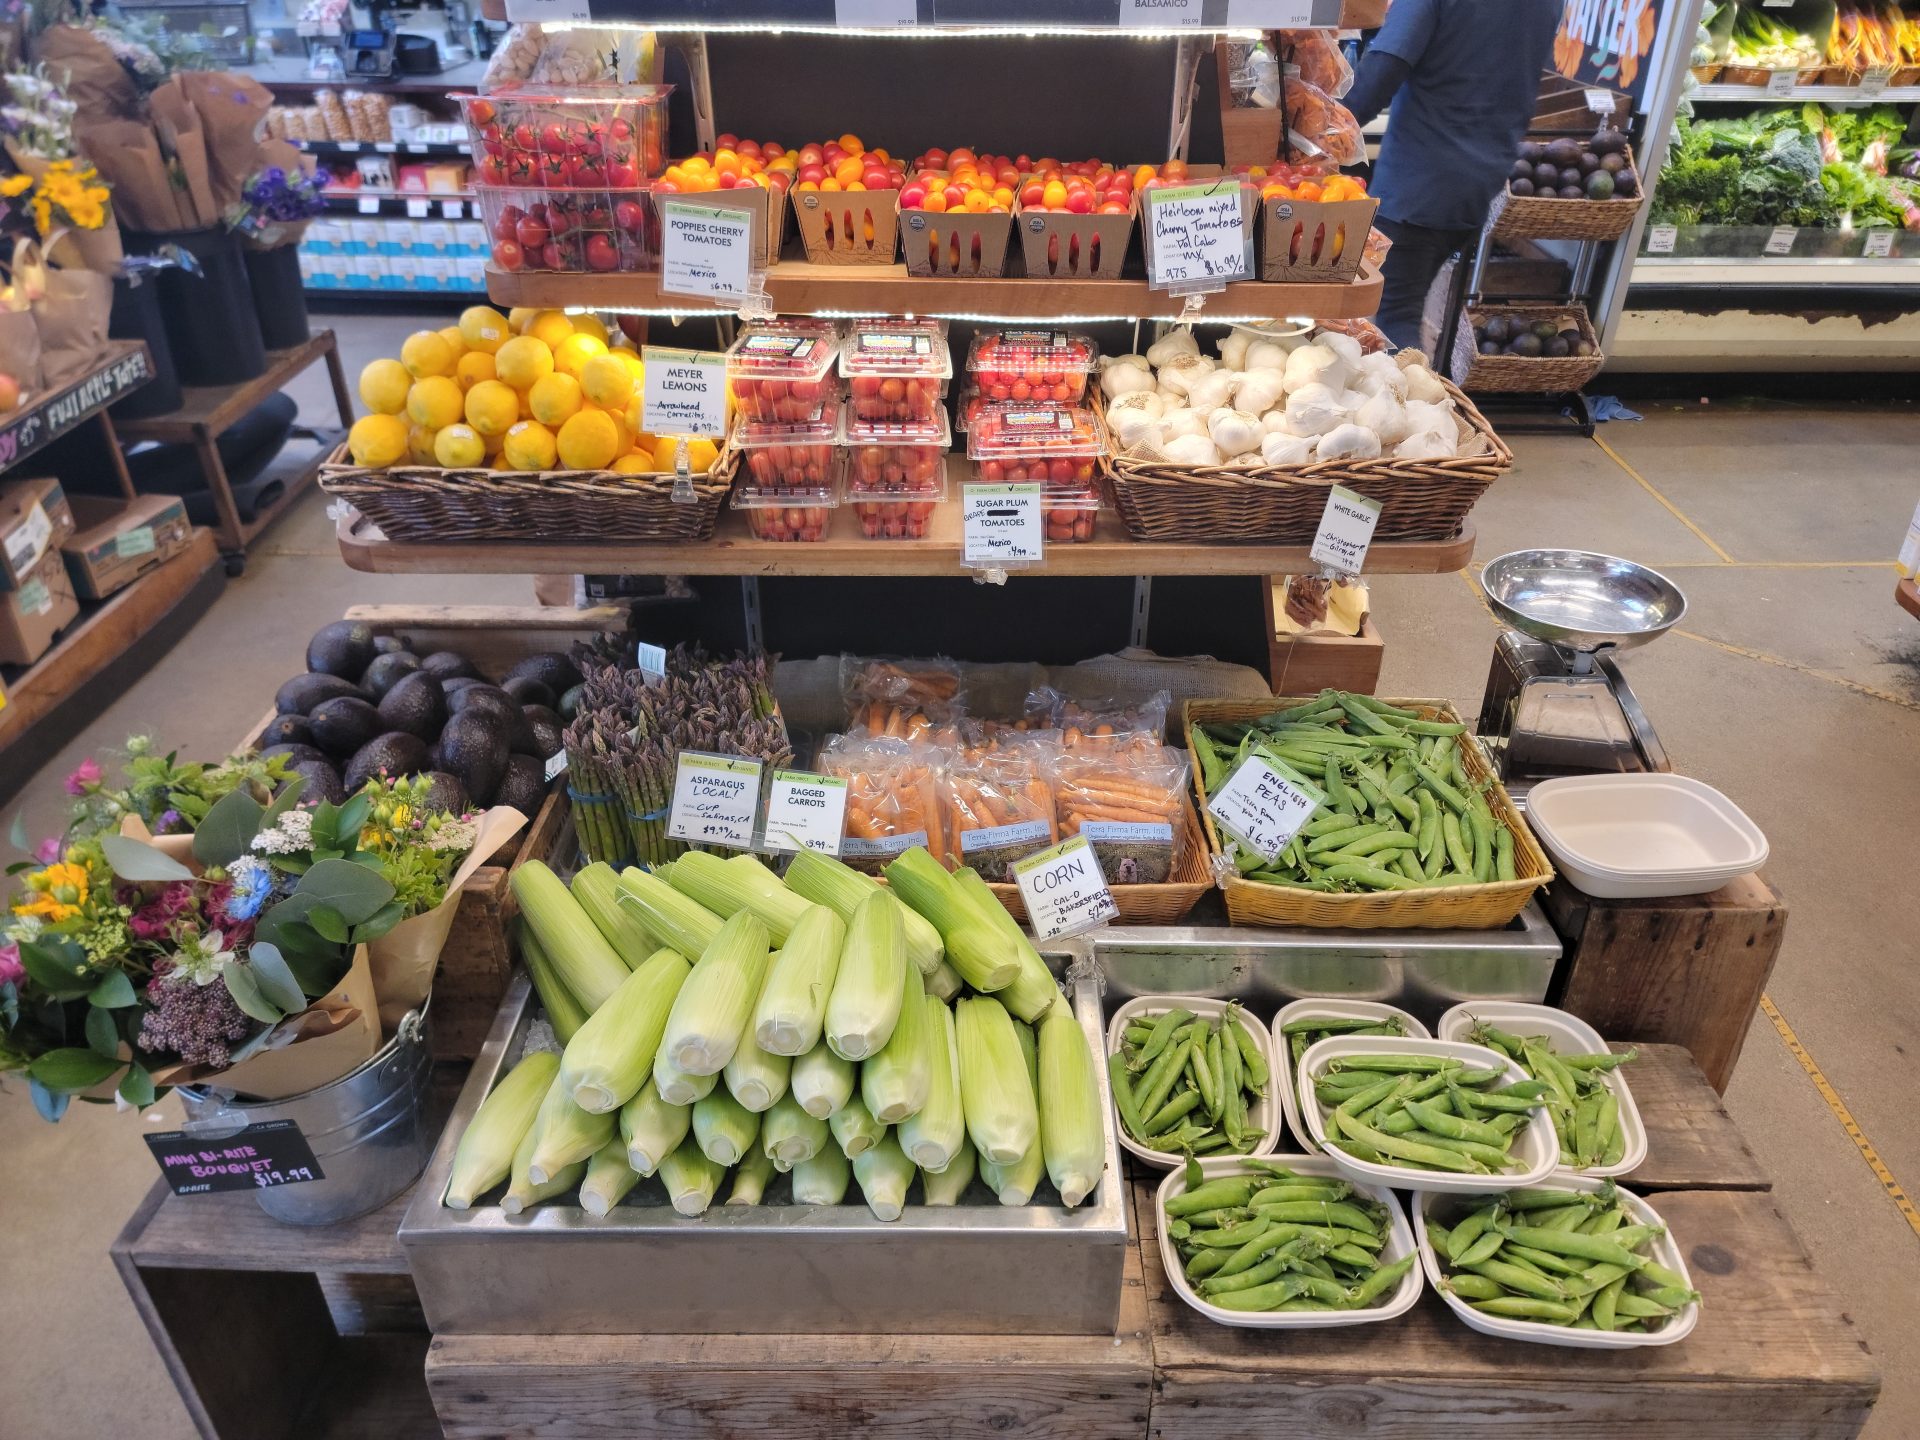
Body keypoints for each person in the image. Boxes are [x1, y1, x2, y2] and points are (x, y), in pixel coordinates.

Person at [1343, 0, 1563, 349]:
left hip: (1419, 181)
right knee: (1405, 306)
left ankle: (1417, 401)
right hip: (1483, 177)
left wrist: (1323, 132)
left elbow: (1384, 68)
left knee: (1395, 315)